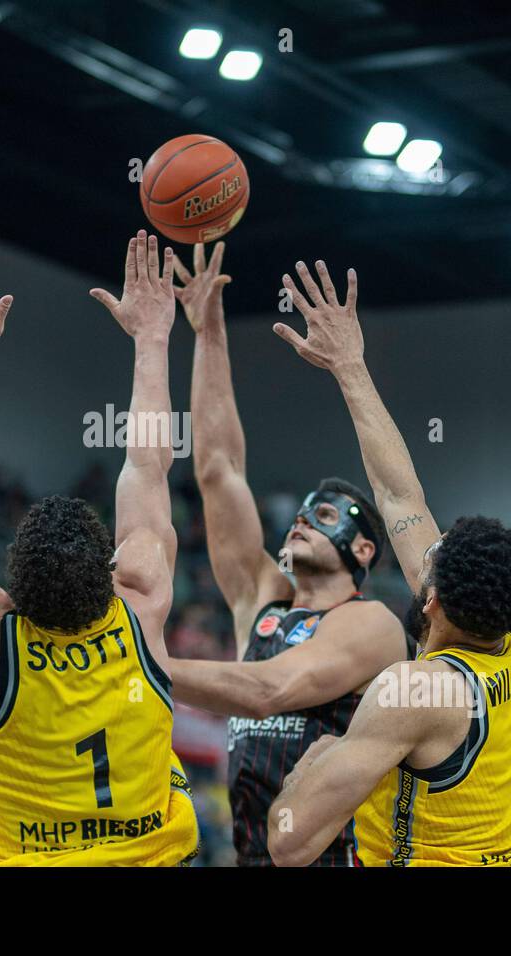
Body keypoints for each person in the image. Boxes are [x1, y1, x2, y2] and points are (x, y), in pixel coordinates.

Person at [266, 261, 511, 867]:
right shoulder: (504, 650)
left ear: (433, 598)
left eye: (432, 556)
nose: (425, 544)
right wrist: (349, 367)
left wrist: (318, 758)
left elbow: (288, 842)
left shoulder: (415, 690)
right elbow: (400, 495)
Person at [0, 237, 198, 866]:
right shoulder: (143, 599)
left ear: (10, 583)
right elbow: (149, 469)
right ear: (111, 568)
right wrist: (152, 339)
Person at [164, 242, 408, 867]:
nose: (301, 519)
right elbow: (219, 469)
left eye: (323, 515)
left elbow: (270, 689)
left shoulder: (372, 624)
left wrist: (135, 664)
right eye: (301, 510)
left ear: (361, 548)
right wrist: (209, 330)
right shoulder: (261, 600)